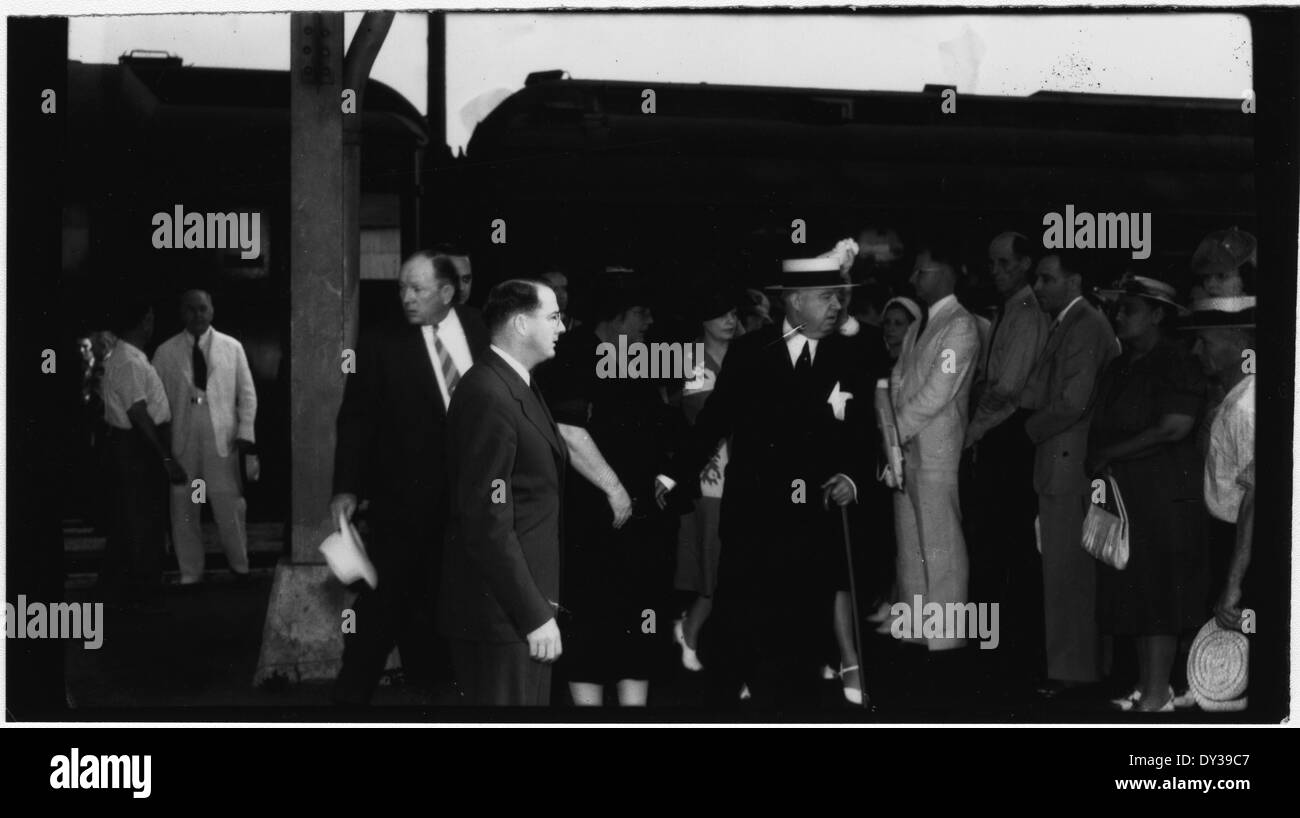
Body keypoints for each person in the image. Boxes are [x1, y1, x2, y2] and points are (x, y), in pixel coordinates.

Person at [656, 256, 873, 709]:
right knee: (740, 628)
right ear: (793, 302)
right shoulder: (751, 350)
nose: (836, 305)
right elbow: (715, 419)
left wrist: (852, 477)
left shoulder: (848, 354)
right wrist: (675, 472)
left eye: (839, 296)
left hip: (813, 520)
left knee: (801, 639)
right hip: (754, 517)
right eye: (825, 296)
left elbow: (860, 430)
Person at [330, 250, 490, 705]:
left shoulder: (485, 331)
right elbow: (356, 420)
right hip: (405, 506)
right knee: (382, 610)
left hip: (473, 507)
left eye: (416, 288)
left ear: (447, 292)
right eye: (402, 287)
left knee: (451, 614)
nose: (405, 297)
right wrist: (346, 486)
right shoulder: (381, 343)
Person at [537, 273, 681, 707]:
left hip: (639, 518)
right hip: (592, 514)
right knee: (591, 614)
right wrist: (613, 489)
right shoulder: (571, 355)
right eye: (641, 312)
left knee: (639, 613)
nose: (649, 320)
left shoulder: (640, 357)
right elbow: (568, 431)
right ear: (615, 316)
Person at [437, 279, 567, 706]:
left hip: (518, 611)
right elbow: (487, 521)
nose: (561, 327)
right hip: (503, 617)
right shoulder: (490, 393)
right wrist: (533, 614)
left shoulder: (515, 384)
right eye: (552, 317)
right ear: (519, 324)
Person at [1087, 275, 1207, 712]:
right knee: (1135, 589)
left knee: (1158, 591)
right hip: (1129, 495)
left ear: (1158, 315)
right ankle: (1150, 686)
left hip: (1164, 493)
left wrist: (1110, 453)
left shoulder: (1176, 361)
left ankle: (1158, 693)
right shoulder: (1122, 364)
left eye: (1129, 309)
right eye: (1117, 309)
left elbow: (1175, 426)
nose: (1119, 315)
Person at [1020, 251, 1119, 694]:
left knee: (1068, 576)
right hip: (1068, 462)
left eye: (1046, 278)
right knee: (1072, 575)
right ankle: (1081, 667)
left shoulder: (1083, 325)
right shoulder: (1075, 321)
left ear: (1074, 280)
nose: (1038, 287)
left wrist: (1025, 429)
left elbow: (1072, 402)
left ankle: (1072, 673)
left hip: (1067, 463)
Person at [962, 232, 1051, 681]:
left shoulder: (1027, 314)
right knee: (995, 548)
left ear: (1024, 264)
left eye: (1004, 263)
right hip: (996, 434)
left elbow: (1006, 388)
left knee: (1008, 550)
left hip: (1008, 437)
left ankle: (1011, 655)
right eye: (992, 263)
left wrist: (973, 424)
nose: (995, 271)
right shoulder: (1007, 312)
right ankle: (996, 650)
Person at [889, 243, 981, 651]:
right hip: (906, 453)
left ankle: (946, 641)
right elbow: (898, 378)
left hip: (937, 454)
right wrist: (892, 435)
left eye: (921, 272)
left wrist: (895, 429)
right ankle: (916, 633)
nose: (914, 280)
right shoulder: (918, 326)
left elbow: (937, 393)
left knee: (941, 549)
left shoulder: (959, 326)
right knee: (910, 551)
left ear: (945, 274)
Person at [151, 290, 258, 584]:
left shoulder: (231, 347)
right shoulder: (165, 351)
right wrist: (165, 444)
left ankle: (240, 566)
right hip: (183, 431)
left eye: (202, 309)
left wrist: (246, 431)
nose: (197, 315)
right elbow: (156, 399)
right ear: (181, 313)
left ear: (211, 310)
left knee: (228, 502)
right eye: (190, 310)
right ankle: (190, 572)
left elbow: (247, 394)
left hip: (220, 431)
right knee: (184, 502)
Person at [1186, 296, 1260, 706]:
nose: (1198, 352)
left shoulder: (1249, 408)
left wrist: (1234, 583)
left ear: (1238, 342)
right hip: (1225, 534)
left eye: (1206, 342)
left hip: (1244, 542)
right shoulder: (1234, 397)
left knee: (1243, 667)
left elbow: (1257, 501)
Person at [666, 288, 743, 673]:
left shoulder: (745, 352)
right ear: (703, 321)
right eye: (720, 314)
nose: (729, 320)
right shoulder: (691, 359)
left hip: (744, 471)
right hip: (710, 474)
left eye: (732, 312)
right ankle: (692, 629)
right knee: (715, 563)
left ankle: (694, 628)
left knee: (730, 563)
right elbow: (698, 414)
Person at [98, 299, 186, 611]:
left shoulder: (129, 355)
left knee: (130, 518)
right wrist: (164, 456)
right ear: (143, 320)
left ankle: (122, 588)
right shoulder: (130, 360)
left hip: (134, 445)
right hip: (138, 446)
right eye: (150, 317)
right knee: (142, 519)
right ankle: (141, 591)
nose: (153, 323)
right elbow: (138, 411)